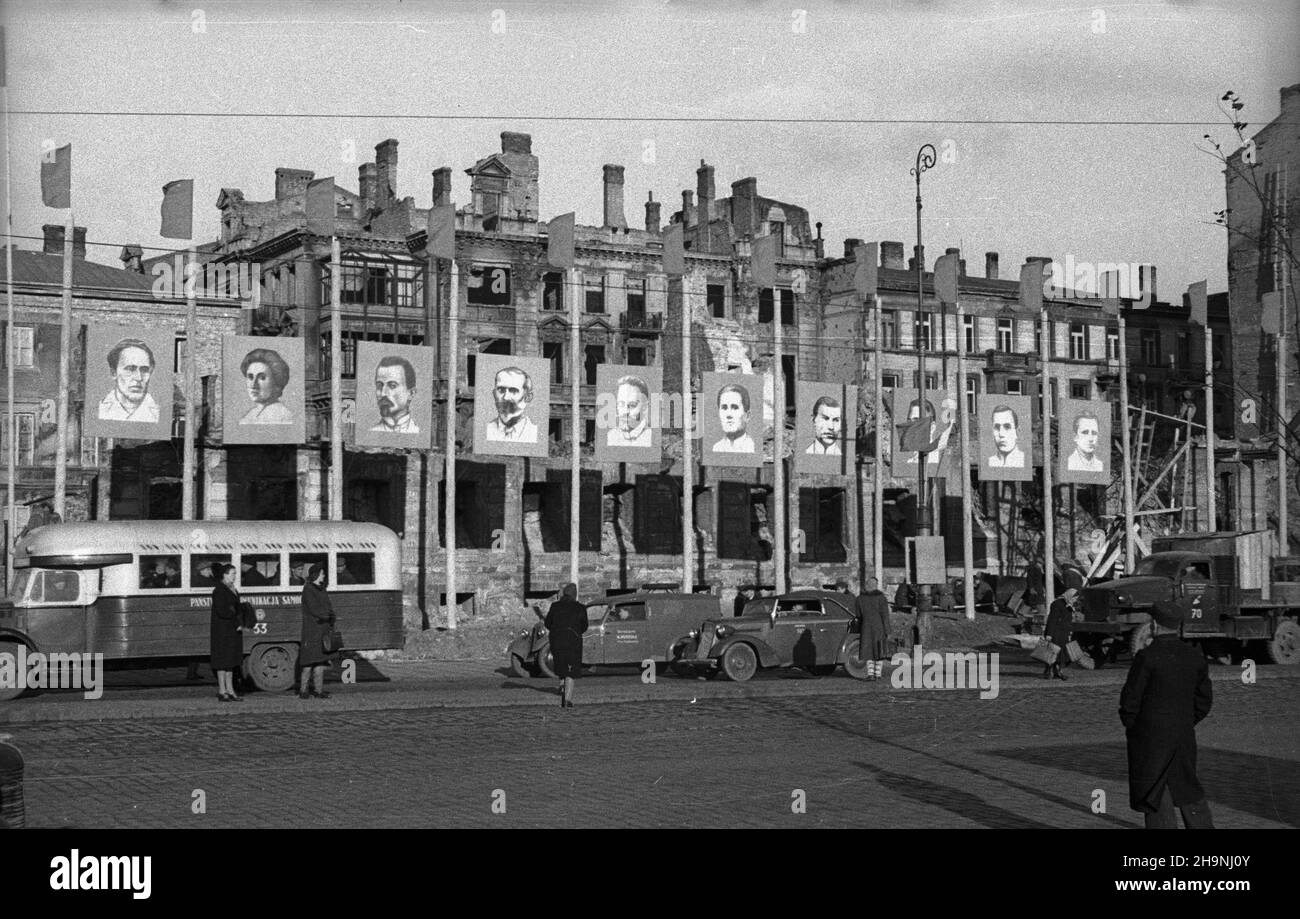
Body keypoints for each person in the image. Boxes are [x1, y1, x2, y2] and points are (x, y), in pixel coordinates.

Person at [1119, 599, 1214, 829]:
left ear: (1154, 625)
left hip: (1150, 739)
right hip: (1182, 734)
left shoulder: (1147, 657)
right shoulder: (1194, 657)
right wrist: (1184, 722)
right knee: (1187, 785)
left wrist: (1136, 728)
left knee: (1155, 791)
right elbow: (1204, 701)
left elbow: (1130, 702)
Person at [539, 582, 588, 708]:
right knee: (570, 672)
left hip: (557, 640)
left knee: (561, 664)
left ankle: (562, 687)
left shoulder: (555, 606)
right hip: (573, 641)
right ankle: (567, 700)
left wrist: (557, 631)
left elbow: (548, 623)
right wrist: (575, 631)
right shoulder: (580, 608)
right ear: (575, 595)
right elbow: (585, 626)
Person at [298, 563, 336, 700]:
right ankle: (303, 690)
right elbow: (315, 610)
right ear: (316, 575)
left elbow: (328, 606)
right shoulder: (308, 589)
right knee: (308, 663)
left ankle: (318, 690)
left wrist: (331, 615)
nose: (324, 575)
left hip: (322, 631)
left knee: (320, 662)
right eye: (322, 573)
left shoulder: (321, 589)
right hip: (311, 631)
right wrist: (328, 615)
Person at [98, 338, 160, 423]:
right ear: (114, 373)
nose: (138, 377)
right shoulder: (100, 411)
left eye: (144, 370)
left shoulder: (158, 415)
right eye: (130, 369)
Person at [209, 563, 244, 701]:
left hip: (232, 630)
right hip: (222, 631)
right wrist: (237, 613)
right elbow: (222, 610)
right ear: (224, 575)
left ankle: (230, 690)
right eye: (232, 573)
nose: (235, 576)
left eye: (235, 573)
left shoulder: (233, 589)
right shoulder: (219, 590)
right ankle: (222, 690)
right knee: (222, 662)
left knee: (230, 662)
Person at [239, 348, 294, 425]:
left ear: (276, 382)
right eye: (250, 377)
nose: (253, 385)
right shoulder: (250, 415)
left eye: (262, 378)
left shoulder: (282, 415)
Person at [485, 366, 538, 443]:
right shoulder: (486, 430)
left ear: (528, 397)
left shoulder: (534, 433)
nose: (506, 397)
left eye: (513, 390)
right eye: (501, 390)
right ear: (494, 393)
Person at [855, 577, 892, 680]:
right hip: (879, 627)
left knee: (868, 651)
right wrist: (888, 631)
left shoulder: (860, 598)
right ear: (876, 585)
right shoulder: (881, 598)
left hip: (865, 627)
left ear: (866, 585)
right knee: (879, 650)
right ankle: (878, 674)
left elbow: (858, 615)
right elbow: (885, 615)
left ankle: (870, 674)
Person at [371, 355, 420, 434]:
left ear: (411, 393)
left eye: (392, 386)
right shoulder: (372, 432)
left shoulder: (417, 431)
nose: (383, 394)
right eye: (379, 386)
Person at [606, 375, 652, 447]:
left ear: (645, 407)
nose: (625, 411)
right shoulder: (611, 437)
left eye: (632, 405)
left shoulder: (652, 439)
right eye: (621, 404)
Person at [1042, 587, 1076, 680]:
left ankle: (1056, 671)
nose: (1075, 600)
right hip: (1055, 633)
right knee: (1053, 653)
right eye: (1074, 598)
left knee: (1061, 654)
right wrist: (1049, 634)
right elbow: (1052, 619)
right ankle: (1051, 671)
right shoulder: (1057, 604)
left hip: (1063, 633)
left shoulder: (1069, 605)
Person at [712, 383, 754, 453]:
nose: (728, 414)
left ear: (747, 416)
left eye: (735, 408)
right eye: (724, 408)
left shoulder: (752, 447)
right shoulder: (716, 448)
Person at [987, 404, 1025, 468]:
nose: (1001, 434)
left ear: (1017, 431)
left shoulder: (1023, 460)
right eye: (997, 427)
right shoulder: (989, 462)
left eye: (1007, 427)